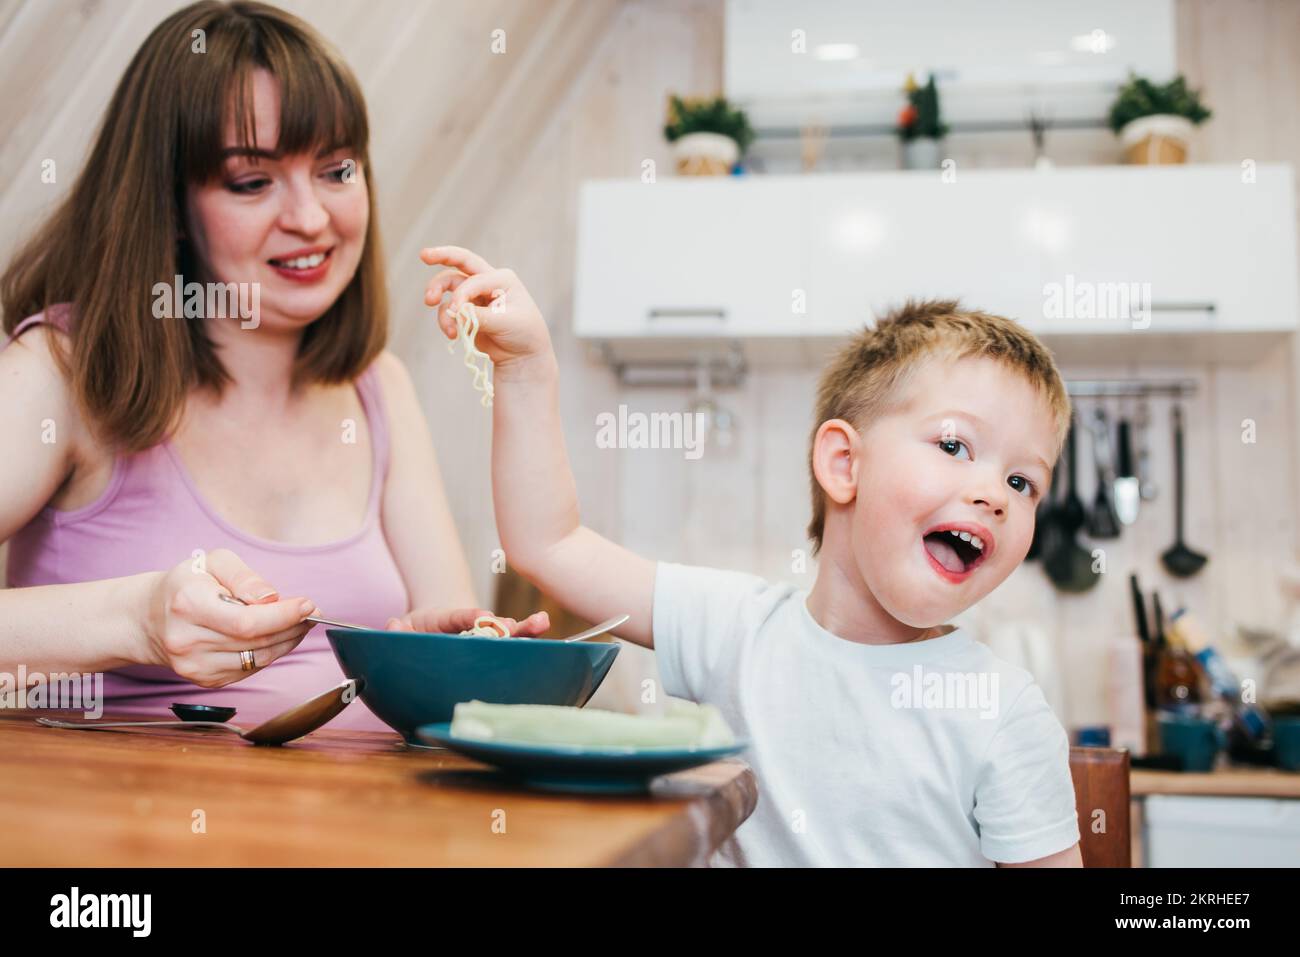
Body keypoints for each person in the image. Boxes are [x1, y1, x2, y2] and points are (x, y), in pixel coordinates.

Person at [419, 244, 1082, 866]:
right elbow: (550, 544)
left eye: (1023, 481)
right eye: (956, 446)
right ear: (843, 463)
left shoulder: (1007, 710)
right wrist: (526, 367)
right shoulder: (736, 628)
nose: (995, 493)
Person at [0, 1, 545, 732]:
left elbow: (444, 657)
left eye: (336, 170)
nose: (312, 219)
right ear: (168, 204)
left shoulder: (379, 387)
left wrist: (436, 653)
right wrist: (134, 619)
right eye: (252, 182)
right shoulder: (63, 371)